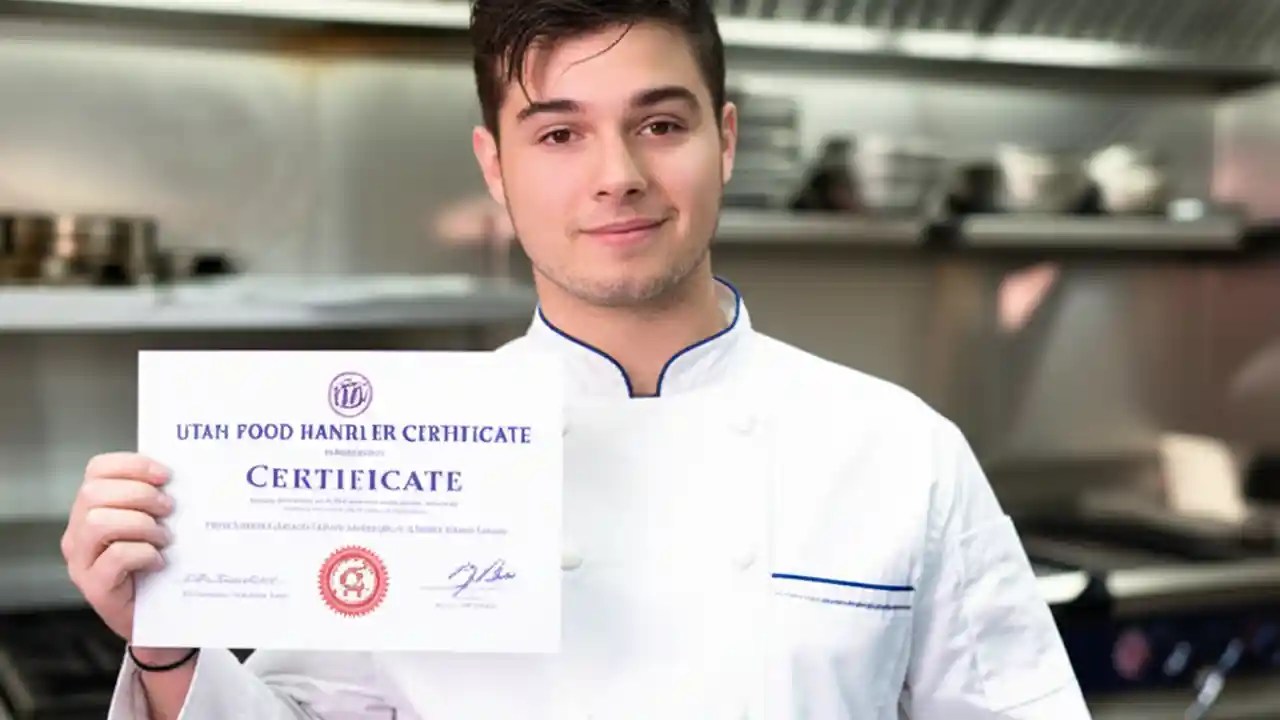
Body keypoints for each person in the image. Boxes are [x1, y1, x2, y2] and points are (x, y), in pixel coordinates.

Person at [61, 0, 1092, 717]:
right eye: (558, 135)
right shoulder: (401, 450)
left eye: (659, 123)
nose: (619, 176)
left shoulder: (898, 451)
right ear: (494, 169)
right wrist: (167, 643)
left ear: (723, 141)